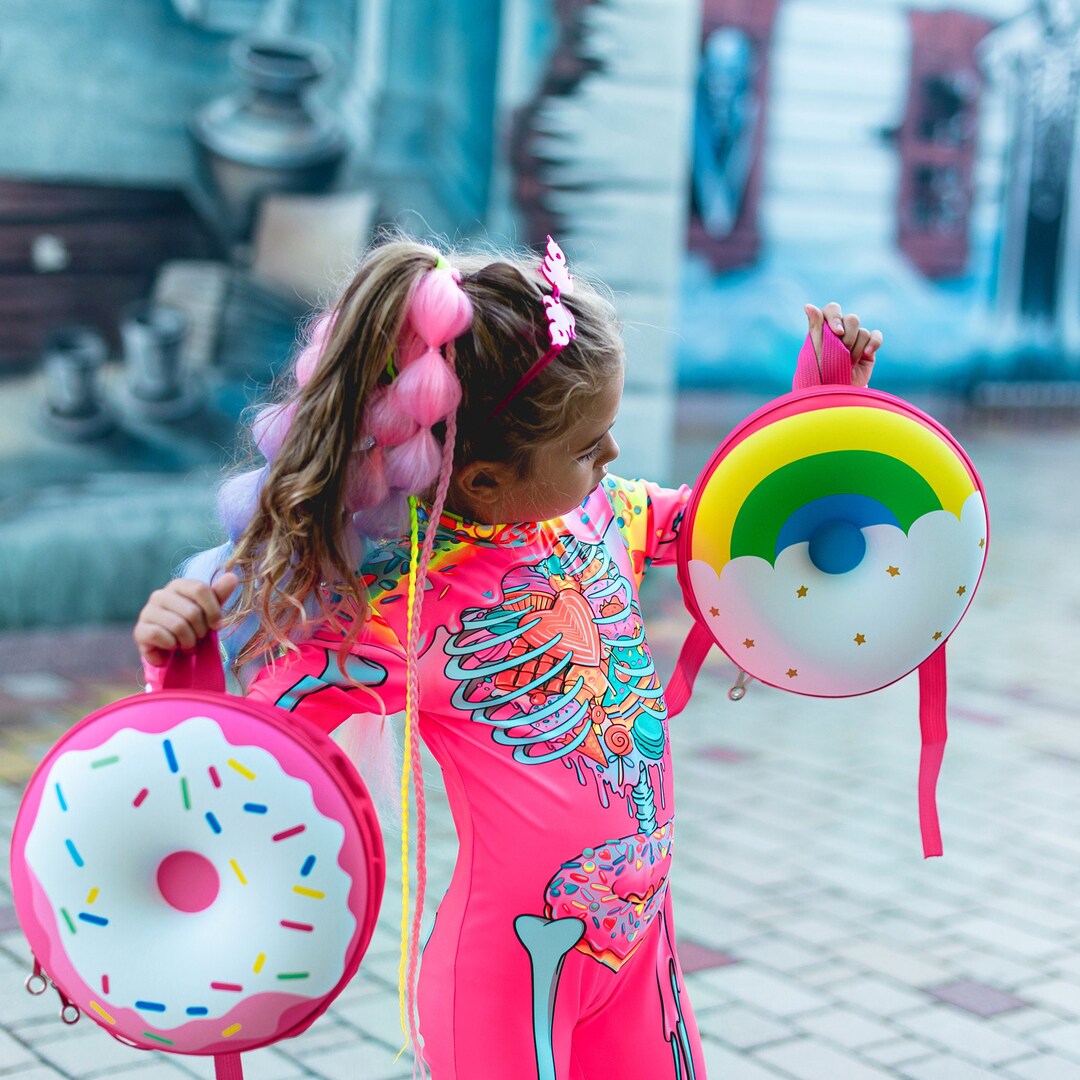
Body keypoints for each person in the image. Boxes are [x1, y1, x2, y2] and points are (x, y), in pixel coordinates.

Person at [134, 234, 882, 1080]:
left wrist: (820, 413)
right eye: (589, 445)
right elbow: (252, 745)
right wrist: (183, 656)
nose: (612, 459)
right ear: (486, 479)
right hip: (511, 978)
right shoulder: (403, 604)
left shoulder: (599, 515)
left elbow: (730, 518)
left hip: (638, 943)